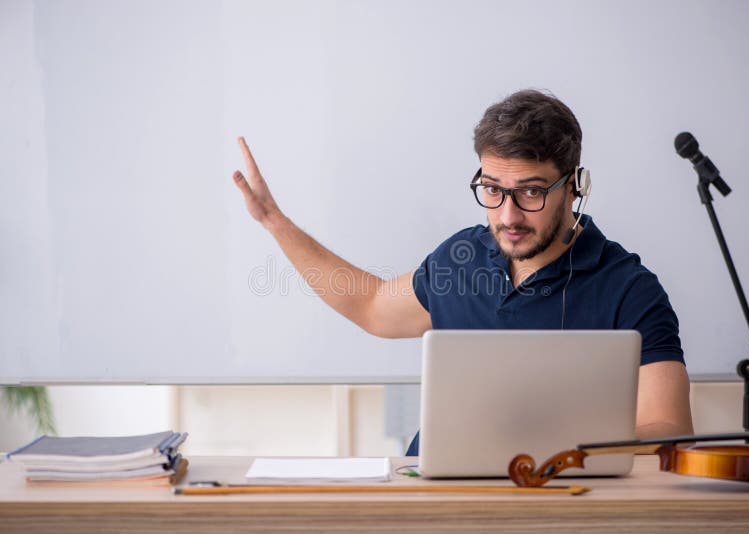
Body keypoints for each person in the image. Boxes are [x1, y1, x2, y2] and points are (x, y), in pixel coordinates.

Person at [232, 89, 694, 457]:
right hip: (432, 488)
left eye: (531, 192)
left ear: (574, 187)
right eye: (492, 190)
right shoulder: (462, 256)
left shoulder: (629, 289)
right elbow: (370, 305)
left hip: (549, 492)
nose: (508, 216)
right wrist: (275, 222)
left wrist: (554, 441)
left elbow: (669, 428)